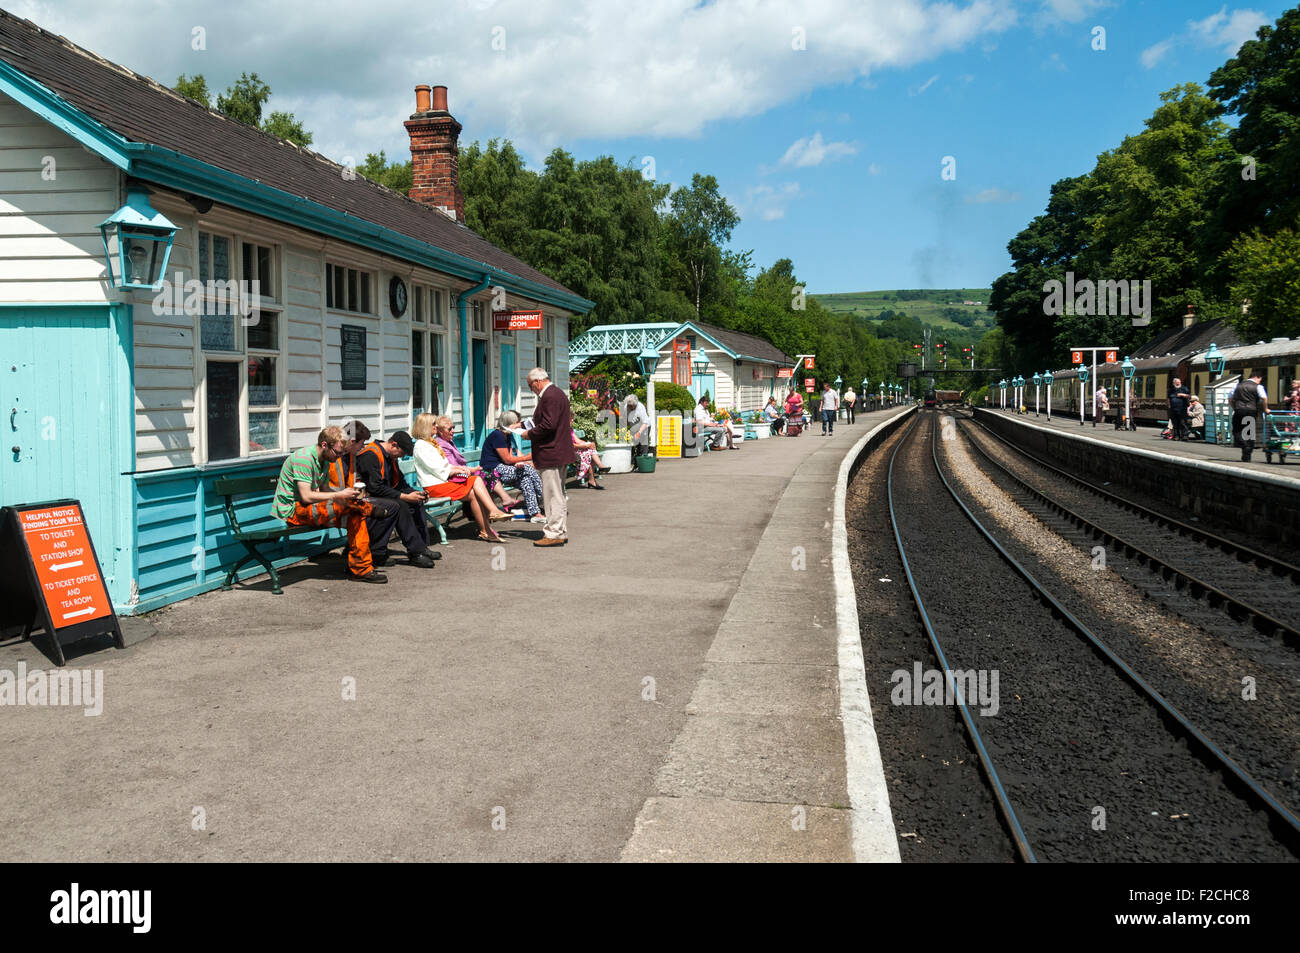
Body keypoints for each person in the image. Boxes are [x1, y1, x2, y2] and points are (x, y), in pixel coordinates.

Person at [272, 426, 385, 583]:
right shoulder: (304, 459)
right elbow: (306, 497)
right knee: (352, 509)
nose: (339, 457)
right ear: (324, 444)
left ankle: (361, 570)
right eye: (337, 452)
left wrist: (347, 495)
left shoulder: (324, 459)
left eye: (342, 453)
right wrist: (339, 495)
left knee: (356, 516)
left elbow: (325, 490)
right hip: (292, 511)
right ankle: (369, 509)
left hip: (310, 508)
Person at [410, 414, 512, 541]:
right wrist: (457, 469)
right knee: (476, 480)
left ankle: (486, 530)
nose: (435, 426)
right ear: (425, 426)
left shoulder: (430, 443)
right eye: (433, 424)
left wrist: (459, 469)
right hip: (434, 486)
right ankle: (491, 514)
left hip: (442, 482)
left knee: (475, 491)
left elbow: (444, 465)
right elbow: (437, 468)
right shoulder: (421, 445)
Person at [355, 431, 440, 568]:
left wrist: (415, 493)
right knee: (401, 505)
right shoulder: (370, 455)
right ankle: (415, 552)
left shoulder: (390, 456)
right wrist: (405, 496)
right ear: (394, 444)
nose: (402, 456)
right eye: (402, 453)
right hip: (366, 496)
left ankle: (421, 547)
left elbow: (399, 483)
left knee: (416, 502)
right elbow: (375, 487)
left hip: (383, 495)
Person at [521, 367, 576, 547]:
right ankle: (559, 530)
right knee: (557, 494)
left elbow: (548, 425)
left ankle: (553, 533)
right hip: (558, 451)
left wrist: (529, 434)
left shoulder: (550, 396)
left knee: (552, 495)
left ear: (537, 381)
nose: (532, 389)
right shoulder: (557, 393)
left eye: (531, 386)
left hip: (551, 452)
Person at [430, 415, 514, 512]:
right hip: (453, 477)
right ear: (440, 431)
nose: (453, 431)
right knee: (487, 475)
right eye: (450, 429)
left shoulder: (447, 441)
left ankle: (489, 510)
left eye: (453, 427)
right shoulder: (441, 444)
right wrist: (471, 469)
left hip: (461, 473)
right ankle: (495, 507)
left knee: (489, 474)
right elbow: (452, 465)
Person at [482, 410, 547, 517]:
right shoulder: (497, 435)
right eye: (517, 423)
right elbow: (507, 459)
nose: (519, 426)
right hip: (492, 469)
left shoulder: (508, 436)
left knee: (526, 480)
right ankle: (544, 498)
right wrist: (528, 457)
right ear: (510, 423)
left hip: (505, 469)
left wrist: (522, 461)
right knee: (528, 470)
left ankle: (535, 513)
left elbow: (514, 455)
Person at [1230, 370, 1268, 462]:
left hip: (1239, 410)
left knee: (1237, 431)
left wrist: (1235, 408)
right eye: (1260, 379)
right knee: (1249, 434)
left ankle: (1243, 447)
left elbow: (1230, 399)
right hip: (1251, 411)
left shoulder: (1236, 386)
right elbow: (1264, 398)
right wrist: (1266, 408)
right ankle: (1247, 455)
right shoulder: (1258, 387)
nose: (1260, 381)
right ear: (1257, 377)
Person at [328, 420, 370, 490]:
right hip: (329, 500)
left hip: (347, 499)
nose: (363, 446)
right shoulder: (328, 456)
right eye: (362, 443)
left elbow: (353, 480)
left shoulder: (351, 455)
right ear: (352, 441)